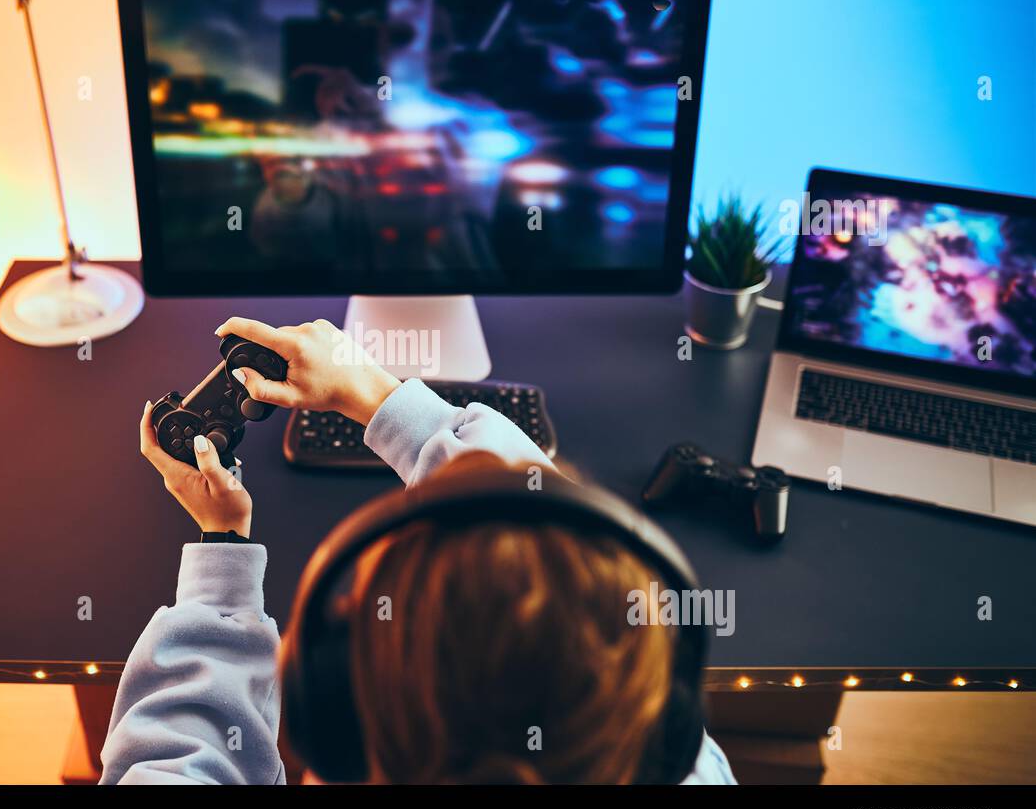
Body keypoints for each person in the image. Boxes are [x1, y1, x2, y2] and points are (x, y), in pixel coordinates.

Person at [100, 317, 735, 784]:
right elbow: (552, 540)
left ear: (336, 725)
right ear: (665, 720)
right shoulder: (685, 768)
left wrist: (221, 557)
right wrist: (375, 393)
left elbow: (176, 761)